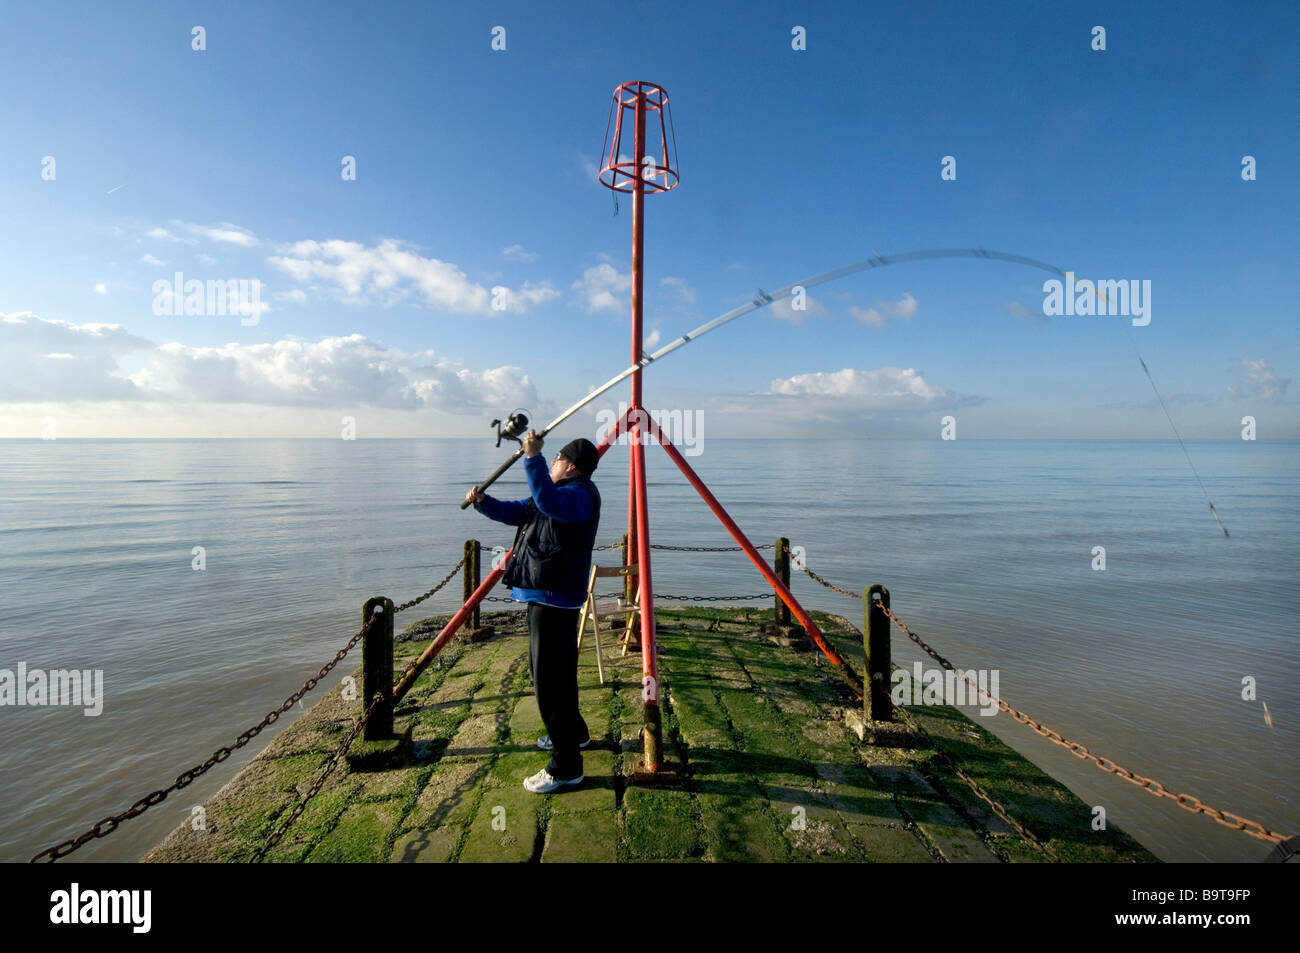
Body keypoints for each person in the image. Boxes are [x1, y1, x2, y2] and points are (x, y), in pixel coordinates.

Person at [465, 431, 601, 793]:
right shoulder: (554, 495)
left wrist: (531, 457)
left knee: (549, 684)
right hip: (545, 598)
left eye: (556, 459)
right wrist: (483, 502)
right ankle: (575, 735)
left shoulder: (579, 497)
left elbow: (546, 499)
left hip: (554, 599)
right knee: (561, 677)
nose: (552, 463)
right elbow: (519, 511)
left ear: (570, 466)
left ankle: (565, 765)